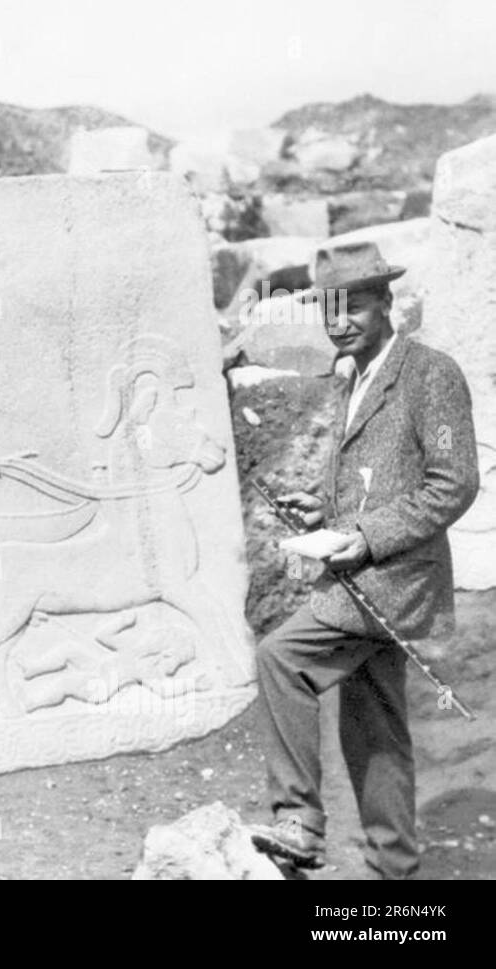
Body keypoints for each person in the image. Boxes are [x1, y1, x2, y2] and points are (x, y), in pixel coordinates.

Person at [249, 241, 479, 878]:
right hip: (361, 576)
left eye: (354, 306)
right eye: (330, 311)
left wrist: (365, 537)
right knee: (372, 728)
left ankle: (298, 819)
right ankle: (393, 869)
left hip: (395, 579)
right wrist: (325, 513)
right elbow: (379, 480)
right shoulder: (352, 377)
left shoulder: (430, 373)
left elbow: (453, 482)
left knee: (281, 658)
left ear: (387, 303)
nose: (340, 322)